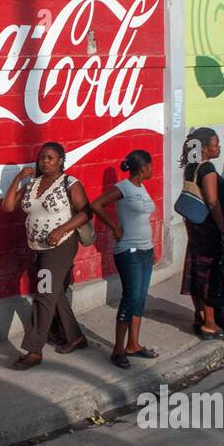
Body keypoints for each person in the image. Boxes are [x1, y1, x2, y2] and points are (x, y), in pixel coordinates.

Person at [2, 142, 92, 369]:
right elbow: (8, 206)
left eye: (51, 158)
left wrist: (61, 230)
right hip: (38, 246)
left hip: (61, 244)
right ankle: (75, 337)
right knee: (54, 292)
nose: (46, 162)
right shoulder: (32, 184)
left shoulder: (70, 183)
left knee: (44, 293)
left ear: (61, 159)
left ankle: (34, 350)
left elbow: (86, 212)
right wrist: (18, 178)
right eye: (42, 158)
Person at [90, 149, 157, 368]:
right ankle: (118, 349)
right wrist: (114, 227)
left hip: (145, 251)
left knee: (140, 299)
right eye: (150, 166)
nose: (152, 169)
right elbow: (96, 204)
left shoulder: (141, 187)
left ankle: (134, 344)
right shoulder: (123, 187)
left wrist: (151, 247)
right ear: (144, 167)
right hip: (129, 252)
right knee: (130, 298)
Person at [178, 128, 224, 339]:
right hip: (208, 229)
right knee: (208, 275)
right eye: (215, 145)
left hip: (195, 228)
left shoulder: (191, 166)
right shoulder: (207, 168)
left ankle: (199, 315)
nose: (218, 148)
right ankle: (209, 322)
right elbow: (212, 200)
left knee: (196, 272)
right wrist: (222, 230)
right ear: (206, 148)